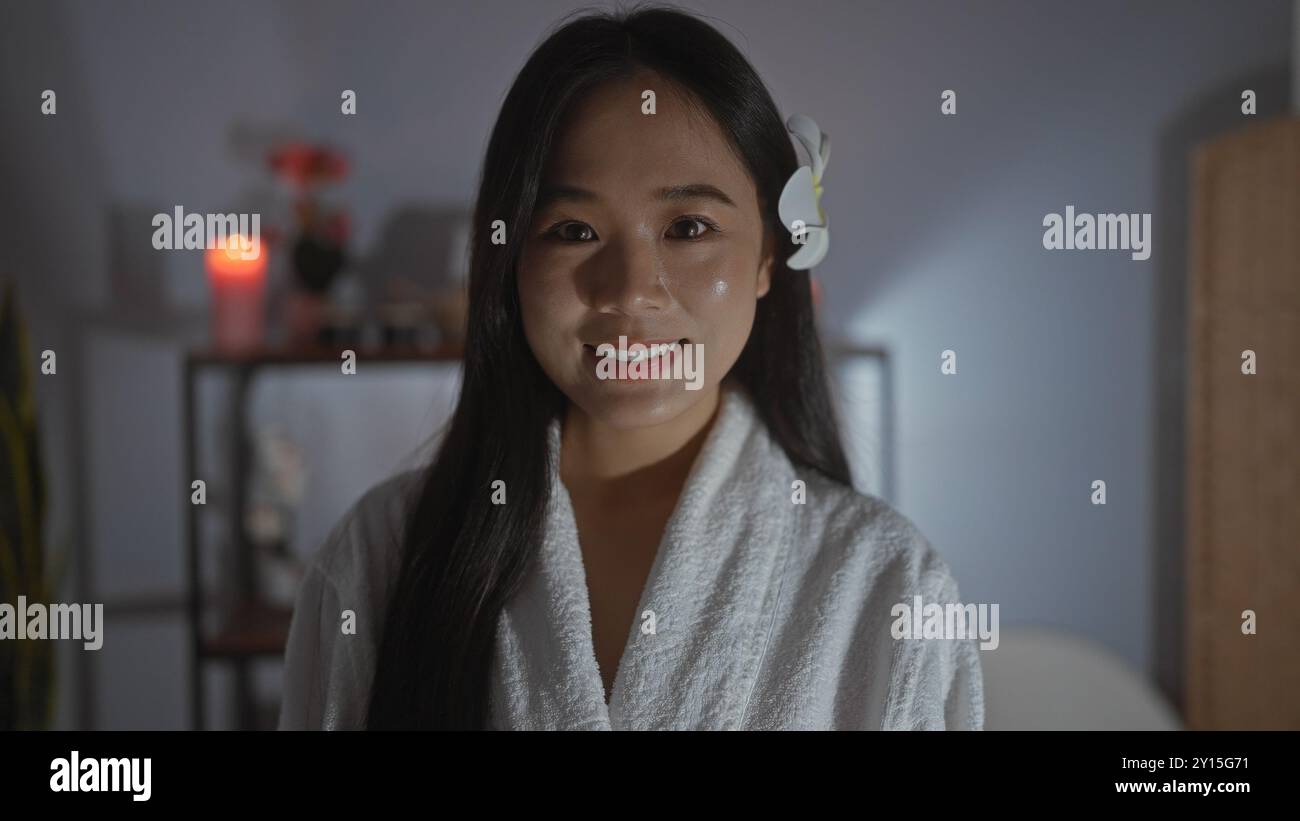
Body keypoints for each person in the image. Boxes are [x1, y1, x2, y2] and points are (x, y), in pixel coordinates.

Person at [279, 5, 983, 730]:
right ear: (511, 257)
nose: (628, 289)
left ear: (772, 253)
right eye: (574, 231)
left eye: (688, 228)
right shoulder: (377, 561)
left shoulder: (889, 585)